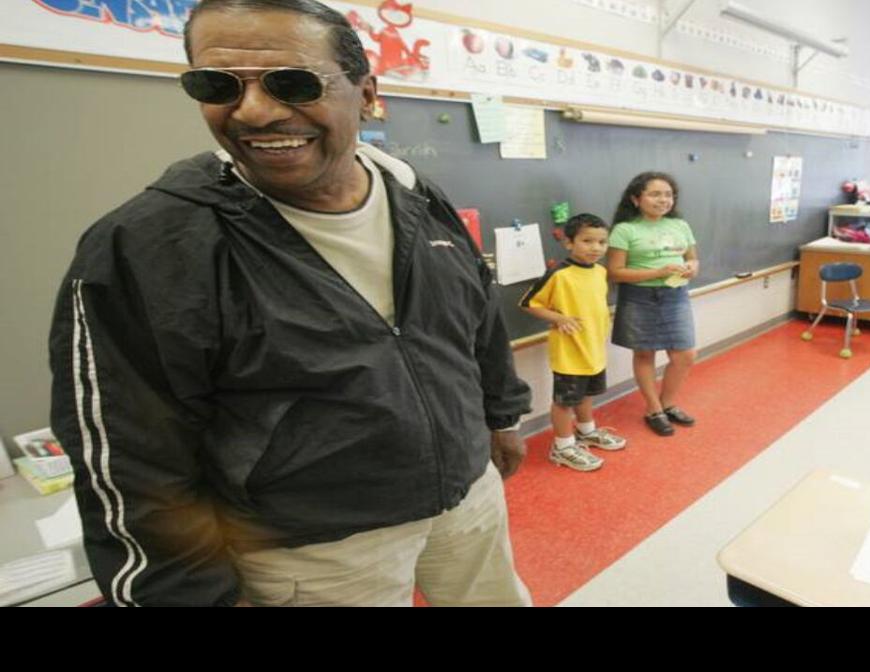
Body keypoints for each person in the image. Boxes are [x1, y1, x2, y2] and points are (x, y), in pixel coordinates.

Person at [48, 0, 532, 606]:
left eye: (293, 83)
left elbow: (477, 317)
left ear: (366, 93)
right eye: (217, 85)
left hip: (467, 500)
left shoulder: (415, 195)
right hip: (313, 550)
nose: (254, 110)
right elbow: (129, 456)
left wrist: (501, 414)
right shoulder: (148, 246)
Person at [521, 213, 626, 472]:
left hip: (593, 348)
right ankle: (563, 446)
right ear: (569, 243)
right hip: (570, 351)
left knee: (586, 394)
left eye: (601, 242)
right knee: (565, 402)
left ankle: (586, 431)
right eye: (587, 241)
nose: (595, 248)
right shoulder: (559, 274)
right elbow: (528, 303)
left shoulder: (601, 271)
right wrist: (558, 317)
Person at [606, 171, 699, 436]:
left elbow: (693, 259)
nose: (663, 200)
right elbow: (615, 272)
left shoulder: (680, 225)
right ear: (636, 199)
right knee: (645, 353)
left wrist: (691, 268)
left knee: (685, 354)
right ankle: (653, 408)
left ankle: (668, 403)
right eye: (655, 194)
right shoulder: (625, 230)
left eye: (668, 194)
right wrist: (656, 273)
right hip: (639, 297)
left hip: (675, 295)